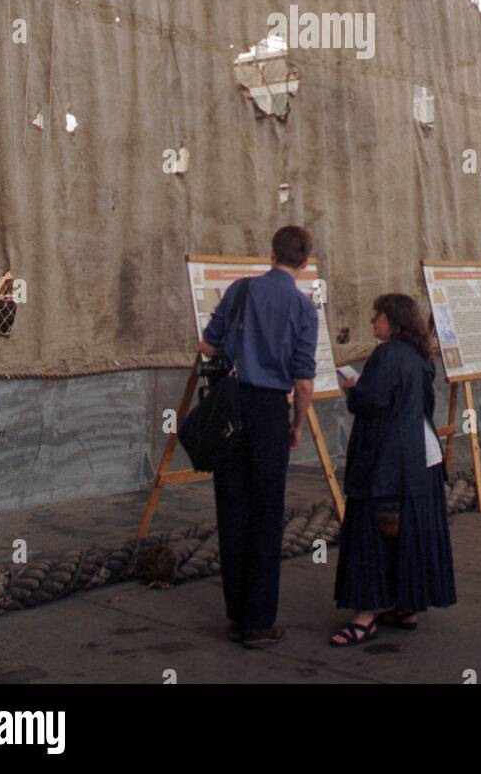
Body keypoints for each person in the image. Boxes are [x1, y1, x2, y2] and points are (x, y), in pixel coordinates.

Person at [198, 226, 317, 648]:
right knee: (267, 515)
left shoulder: (240, 291)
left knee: (232, 508)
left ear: (270, 253)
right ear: (304, 263)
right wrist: (297, 424)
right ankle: (259, 621)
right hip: (271, 413)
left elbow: (207, 348)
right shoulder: (304, 309)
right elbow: (304, 382)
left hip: (231, 409)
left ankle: (236, 614)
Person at [331, 293, 456, 646]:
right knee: (411, 532)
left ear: (393, 320)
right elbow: (423, 404)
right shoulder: (419, 355)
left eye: (378, 317)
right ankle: (406, 605)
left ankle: (365, 616)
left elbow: (369, 401)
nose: (373, 323)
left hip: (389, 461)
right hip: (423, 457)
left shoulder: (386, 355)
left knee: (372, 533)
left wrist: (354, 389)